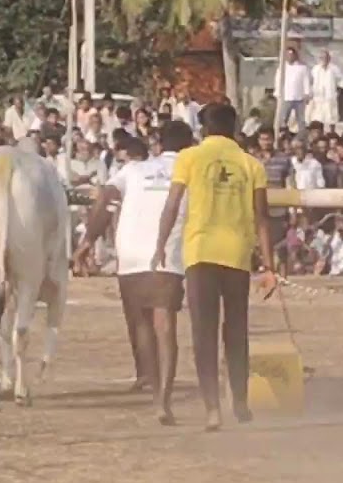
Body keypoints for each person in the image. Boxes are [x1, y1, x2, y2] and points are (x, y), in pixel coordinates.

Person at [153, 103, 276, 431]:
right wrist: (269, 265)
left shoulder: (189, 157)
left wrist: (160, 245)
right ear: (235, 129)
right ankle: (239, 398)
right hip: (237, 254)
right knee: (236, 331)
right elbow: (263, 218)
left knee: (203, 333)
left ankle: (212, 409)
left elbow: (172, 204)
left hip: (200, 252)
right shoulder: (251, 164)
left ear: (203, 129)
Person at [78, 122, 194, 425]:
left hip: (129, 253)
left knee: (142, 326)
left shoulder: (134, 169)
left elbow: (106, 199)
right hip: (166, 252)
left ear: (158, 144)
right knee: (164, 326)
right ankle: (162, 400)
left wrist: (88, 240)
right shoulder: (191, 170)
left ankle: (155, 388)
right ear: (189, 144)